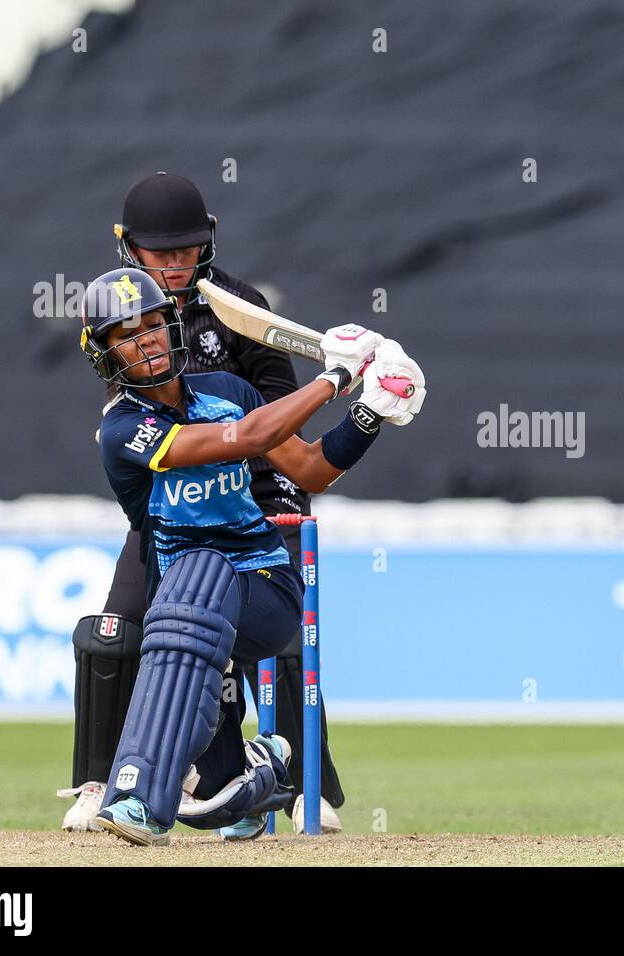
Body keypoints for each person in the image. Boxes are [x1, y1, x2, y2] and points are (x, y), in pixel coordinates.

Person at [75, 266, 424, 844]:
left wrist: (371, 414)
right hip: (181, 624)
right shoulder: (122, 432)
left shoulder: (227, 392)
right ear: (104, 354)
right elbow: (245, 439)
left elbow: (310, 468)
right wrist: (337, 376)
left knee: (201, 569)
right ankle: (255, 773)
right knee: (231, 810)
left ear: (172, 326)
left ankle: (137, 797)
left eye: (155, 325)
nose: (147, 341)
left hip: (264, 590)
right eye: (127, 335)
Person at [60, 172, 344, 834]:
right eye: (162, 254)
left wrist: (280, 503)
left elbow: (277, 419)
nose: (176, 265)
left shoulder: (242, 308)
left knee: (281, 634)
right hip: (168, 505)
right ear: (128, 247)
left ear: (207, 241)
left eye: (186, 251)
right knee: (114, 632)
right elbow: (133, 426)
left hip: (249, 497)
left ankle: (308, 787)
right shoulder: (114, 309)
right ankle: (101, 782)